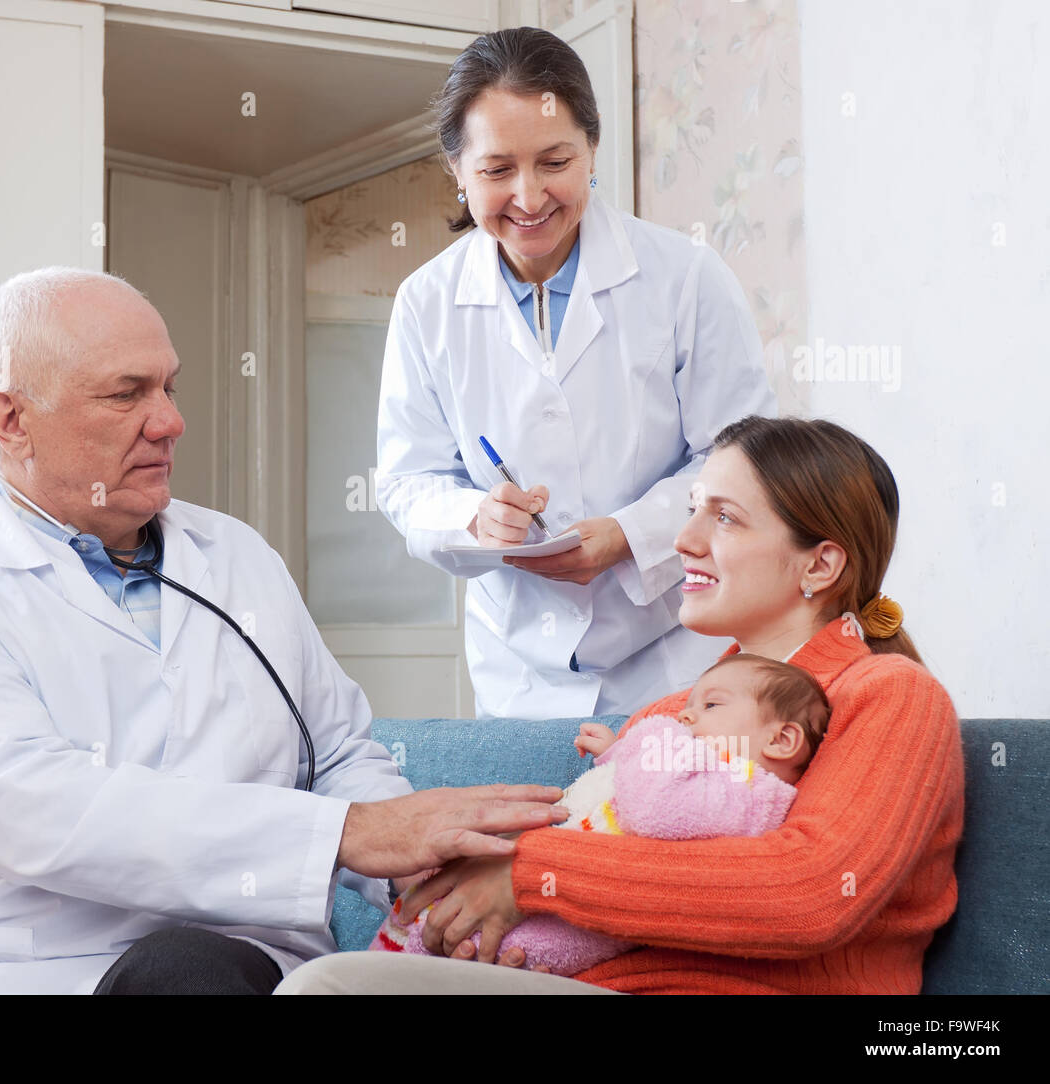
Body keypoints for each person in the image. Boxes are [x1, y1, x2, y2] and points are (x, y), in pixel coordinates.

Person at [0, 267, 569, 995]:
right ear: (12, 421)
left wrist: (426, 882)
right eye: (126, 394)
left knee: (196, 972)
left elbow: (337, 751)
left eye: (169, 388)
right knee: (181, 972)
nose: (168, 422)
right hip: (15, 972)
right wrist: (348, 834)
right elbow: (46, 812)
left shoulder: (236, 555)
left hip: (241, 966)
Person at [276, 415, 965, 994]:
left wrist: (528, 875)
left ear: (820, 565)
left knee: (329, 989)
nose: (685, 539)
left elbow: (811, 894)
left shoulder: (893, 697)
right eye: (692, 508)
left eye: (723, 517)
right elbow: (593, 868)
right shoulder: (667, 716)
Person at [375, 27, 776, 720]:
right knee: (544, 827)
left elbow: (744, 460)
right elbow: (408, 481)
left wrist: (630, 533)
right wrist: (476, 515)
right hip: (518, 673)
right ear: (458, 173)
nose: (529, 197)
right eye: (497, 170)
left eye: (554, 161)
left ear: (592, 150)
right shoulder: (426, 303)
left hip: (680, 652)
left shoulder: (684, 278)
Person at [368, 654, 830, 974]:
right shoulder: (708, 768)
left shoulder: (751, 796)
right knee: (439, 888)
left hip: (557, 924)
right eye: (688, 706)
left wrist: (646, 740)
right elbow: (631, 799)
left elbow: (655, 811)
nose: (683, 718)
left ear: (781, 741)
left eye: (710, 706)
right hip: (546, 874)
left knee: (445, 942)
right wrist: (618, 755)